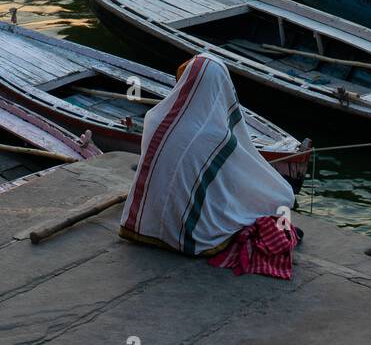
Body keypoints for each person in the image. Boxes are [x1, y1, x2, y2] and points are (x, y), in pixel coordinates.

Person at [119, 53, 300, 278]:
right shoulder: (214, 135)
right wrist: (277, 194)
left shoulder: (154, 118)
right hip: (191, 237)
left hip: (141, 223)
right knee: (276, 196)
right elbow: (239, 176)